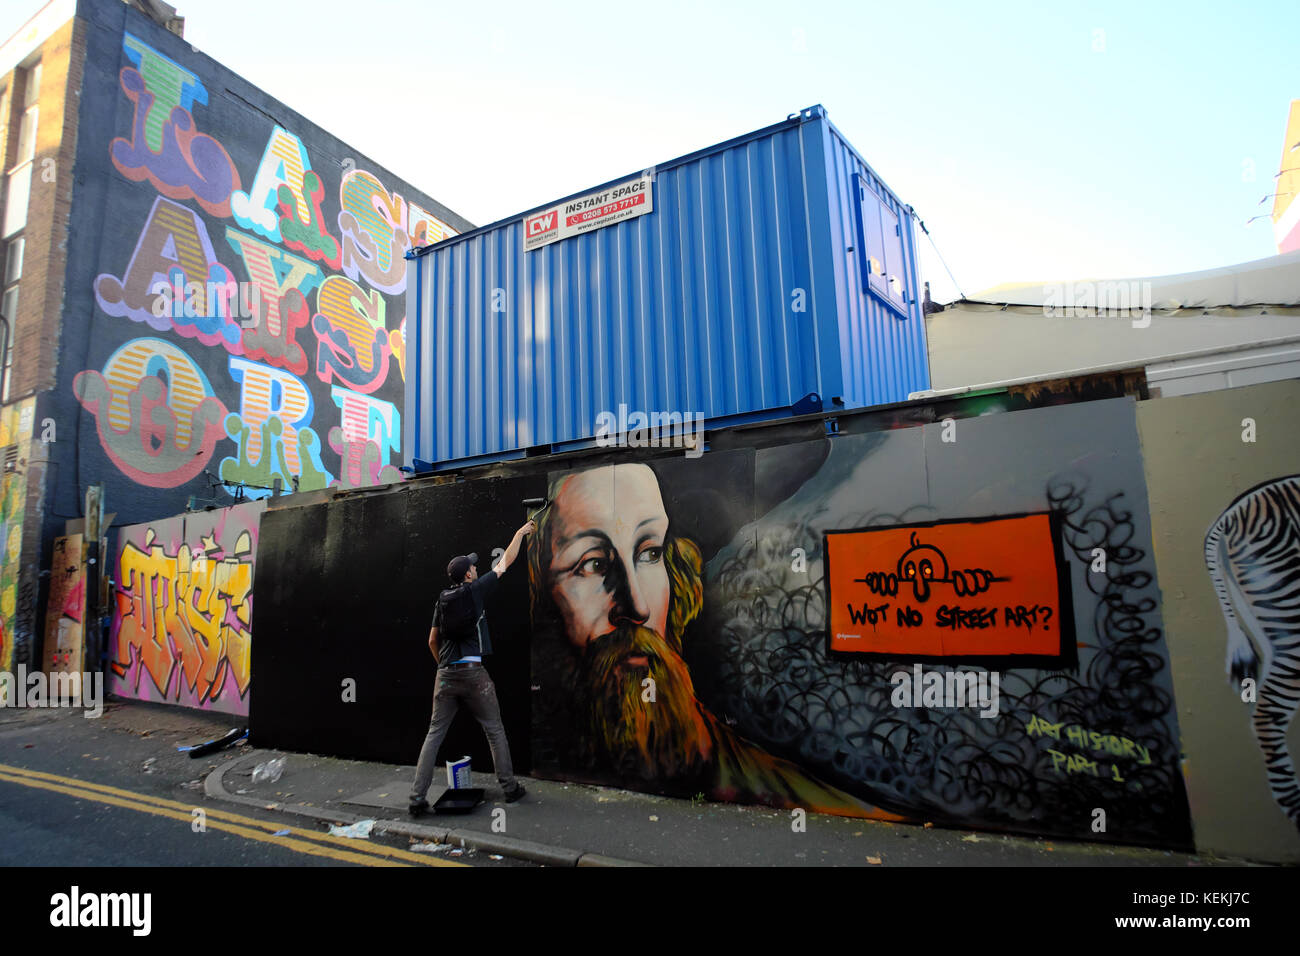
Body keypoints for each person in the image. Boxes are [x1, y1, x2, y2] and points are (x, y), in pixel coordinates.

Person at [526, 462, 900, 820]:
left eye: (650, 552)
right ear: (541, 592)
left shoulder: (782, 786)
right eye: (592, 564)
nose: (637, 605)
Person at [409, 520, 535, 815]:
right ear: (468, 574)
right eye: (473, 567)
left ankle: (416, 797)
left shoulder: (442, 600)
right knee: (494, 730)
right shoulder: (475, 590)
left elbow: (431, 640)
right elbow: (506, 562)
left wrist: (444, 667)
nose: (476, 569)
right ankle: (510, 788)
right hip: (473, 673)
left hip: (445, 673)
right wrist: (519, 533)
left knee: (434, 734)